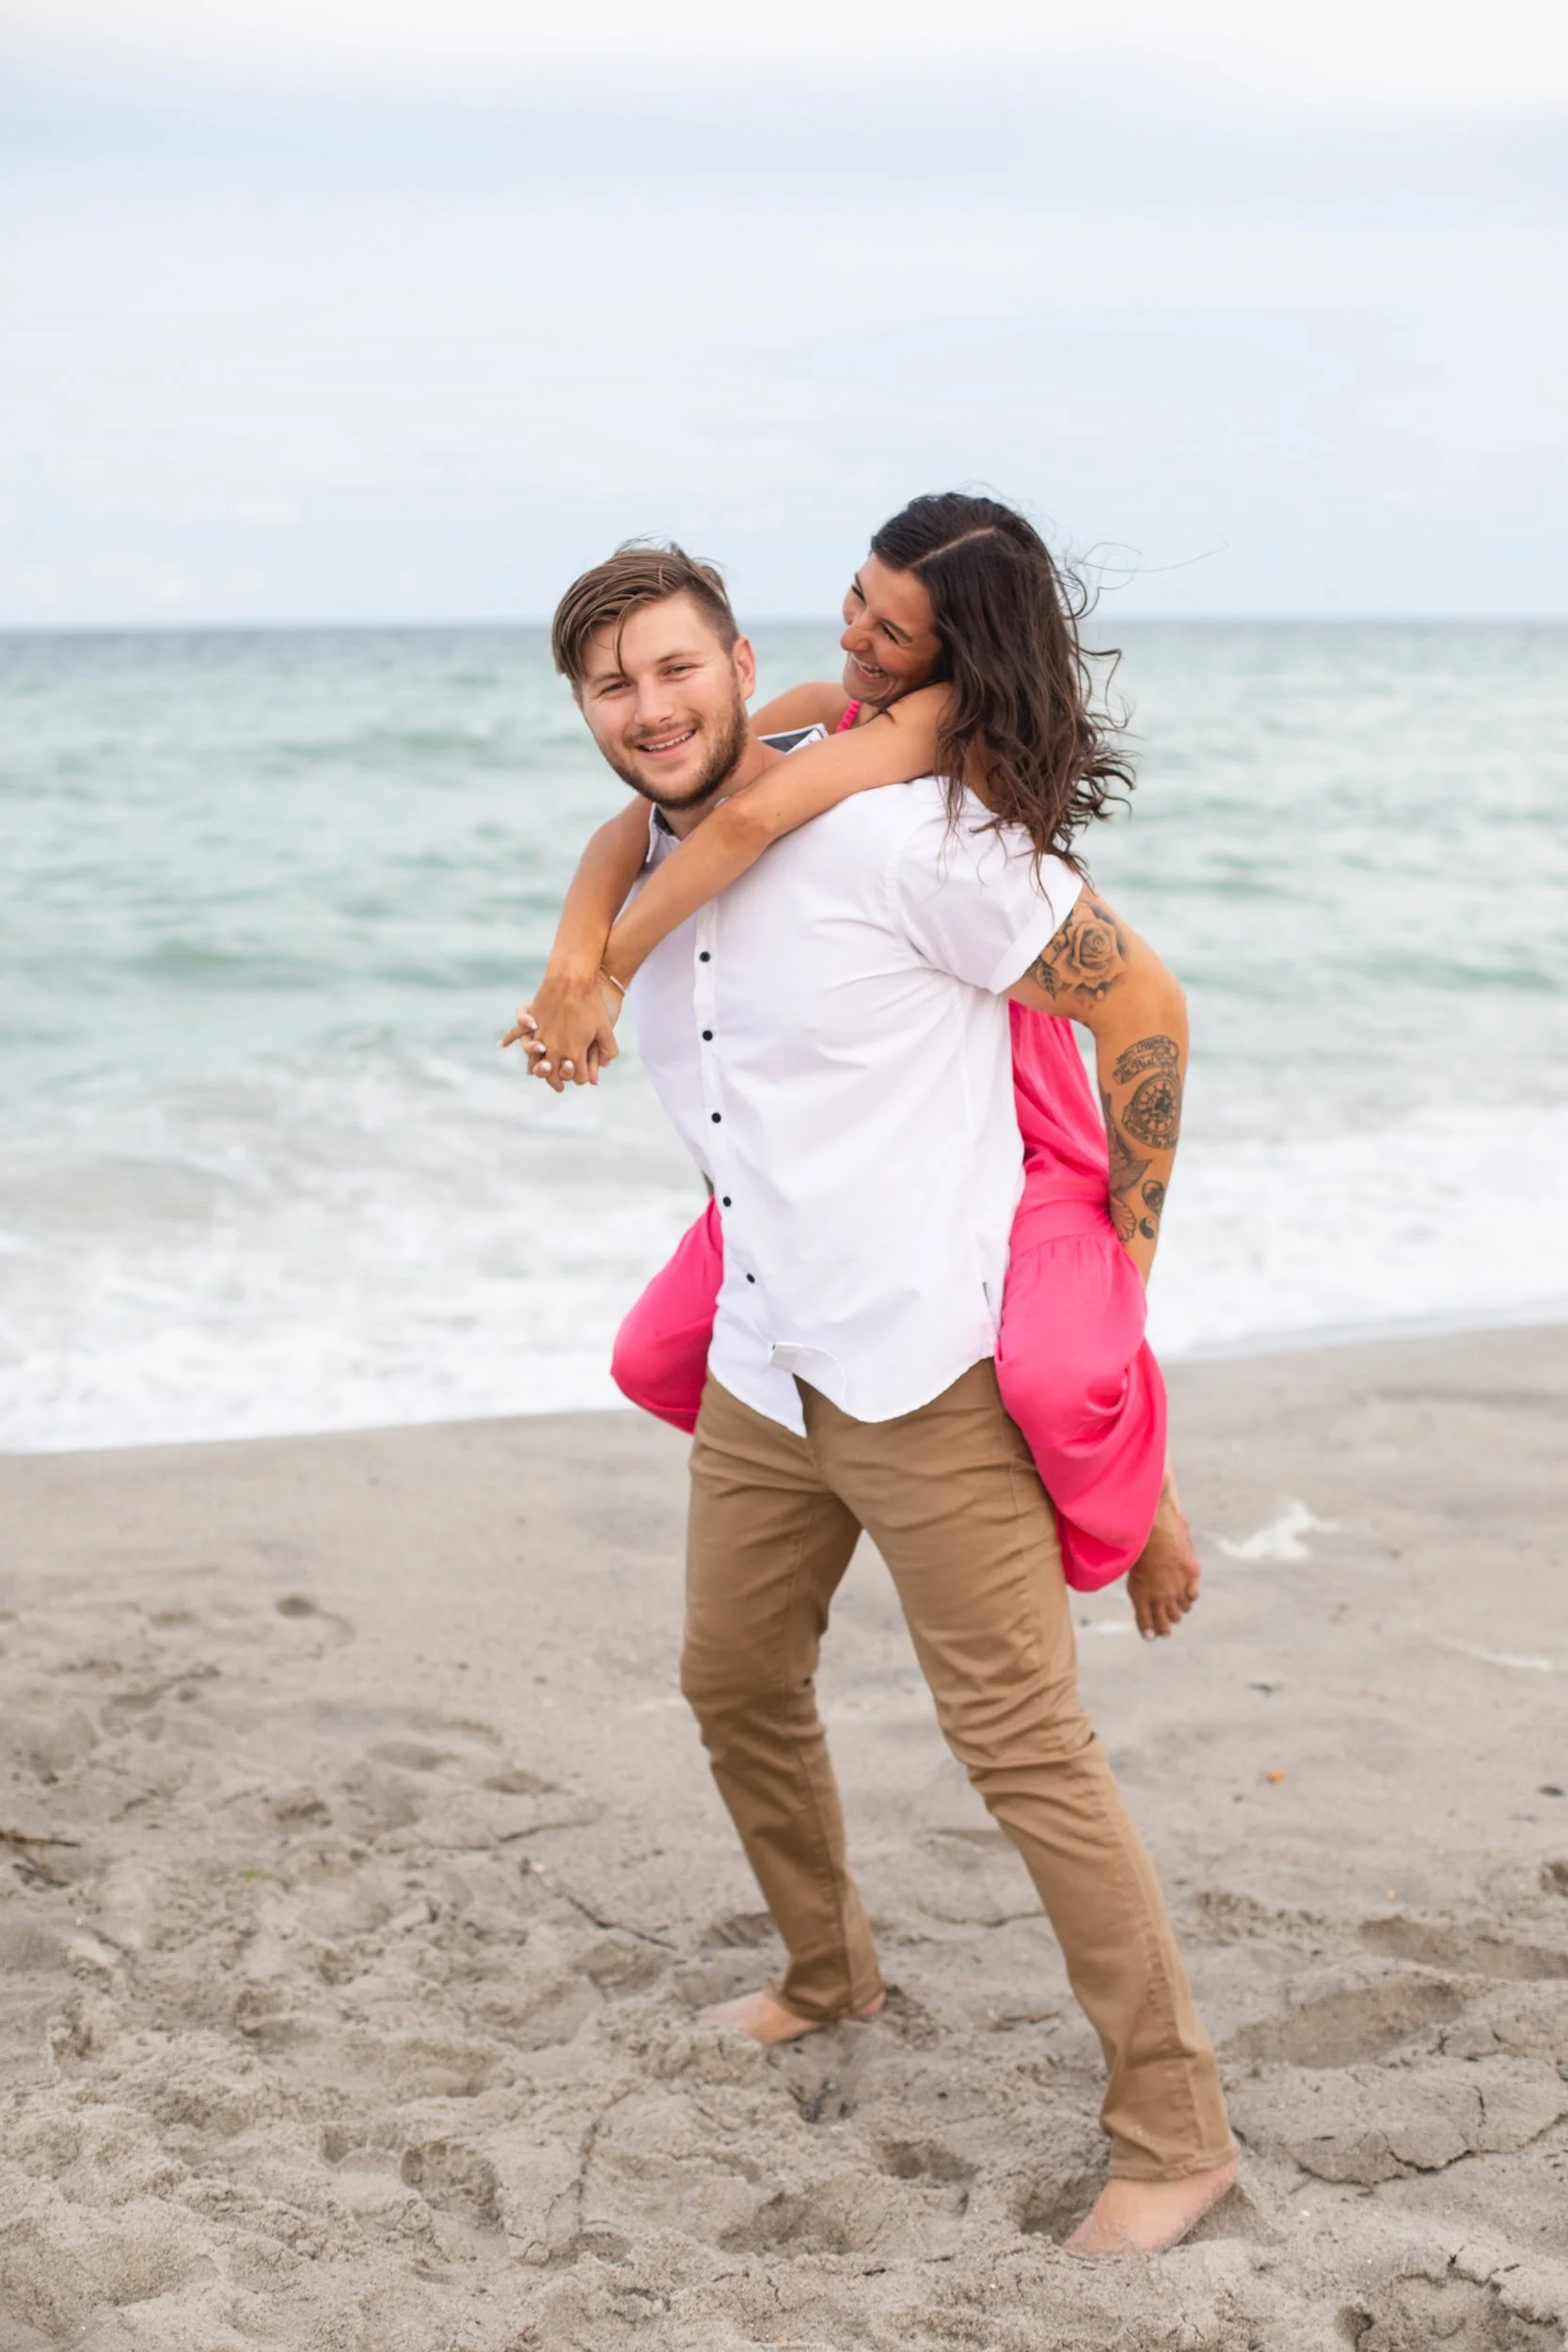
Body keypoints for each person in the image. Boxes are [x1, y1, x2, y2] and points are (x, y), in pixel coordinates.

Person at [512, 523, 1237, 2254]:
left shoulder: (915, 838)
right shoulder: (650, 857)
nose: (650, 703)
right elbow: (664, 832)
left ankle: (1175, 2133)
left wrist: (1118, 1282)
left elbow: (1142, 1005)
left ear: (746, 668)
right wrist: (581, 948)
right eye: (614, 683)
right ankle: (831, 1976)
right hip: (766, 1364)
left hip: (932, 1372)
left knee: (1024, 1752)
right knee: (732, 1679)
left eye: (679, 665)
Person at [510, 496, 1198, 1631]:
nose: (851, 642)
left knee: (1066, 1362)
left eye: (889, 631)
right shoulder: (840, 703)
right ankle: (826, 1459)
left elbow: (741, 827)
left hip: (1009, 1059)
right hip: (879, 1058)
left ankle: (1140, 1488)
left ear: (956, 658)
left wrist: (613, 973)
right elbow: (632, 826)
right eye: (853, 603)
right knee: (650, 1356)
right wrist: (566, 966)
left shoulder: (926, 724)